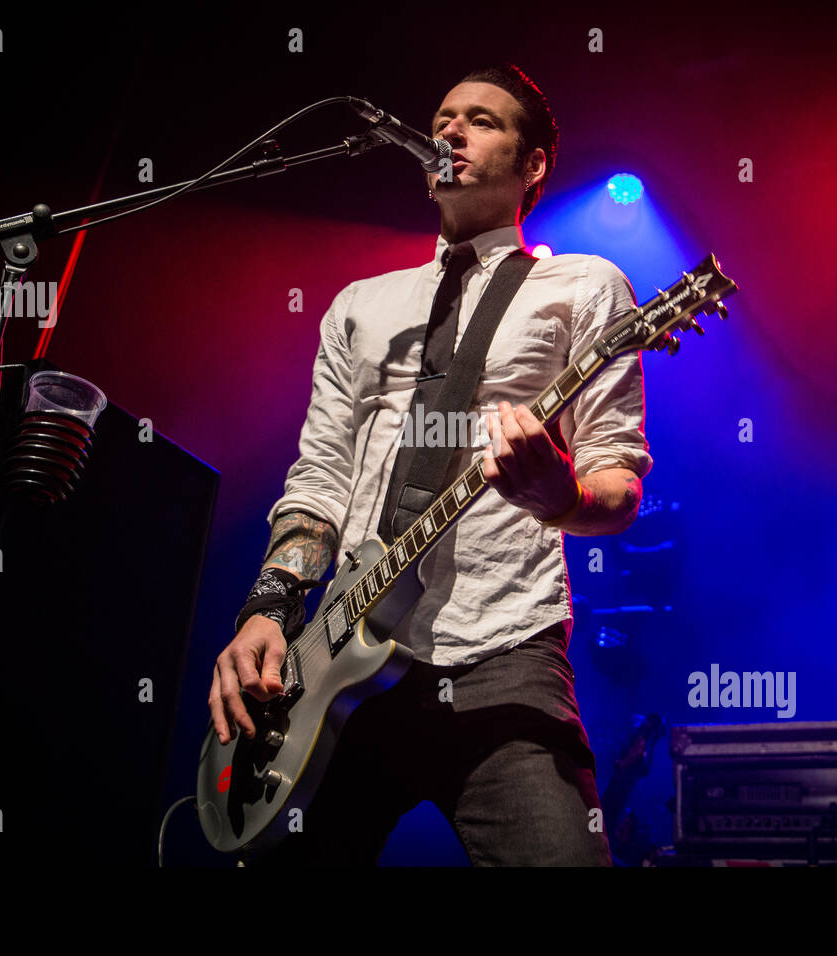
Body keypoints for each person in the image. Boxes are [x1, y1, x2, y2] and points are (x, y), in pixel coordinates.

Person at [208, 64, 652, 865]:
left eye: (480, 121)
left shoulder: (584, 286)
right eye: (442, 117)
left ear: (534, 164)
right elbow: (318, 480)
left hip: (504, 651)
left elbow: (618, 485)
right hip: (342, 660)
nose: (449, 132)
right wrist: (266, 611)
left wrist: (561, 495)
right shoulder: (360, 304)